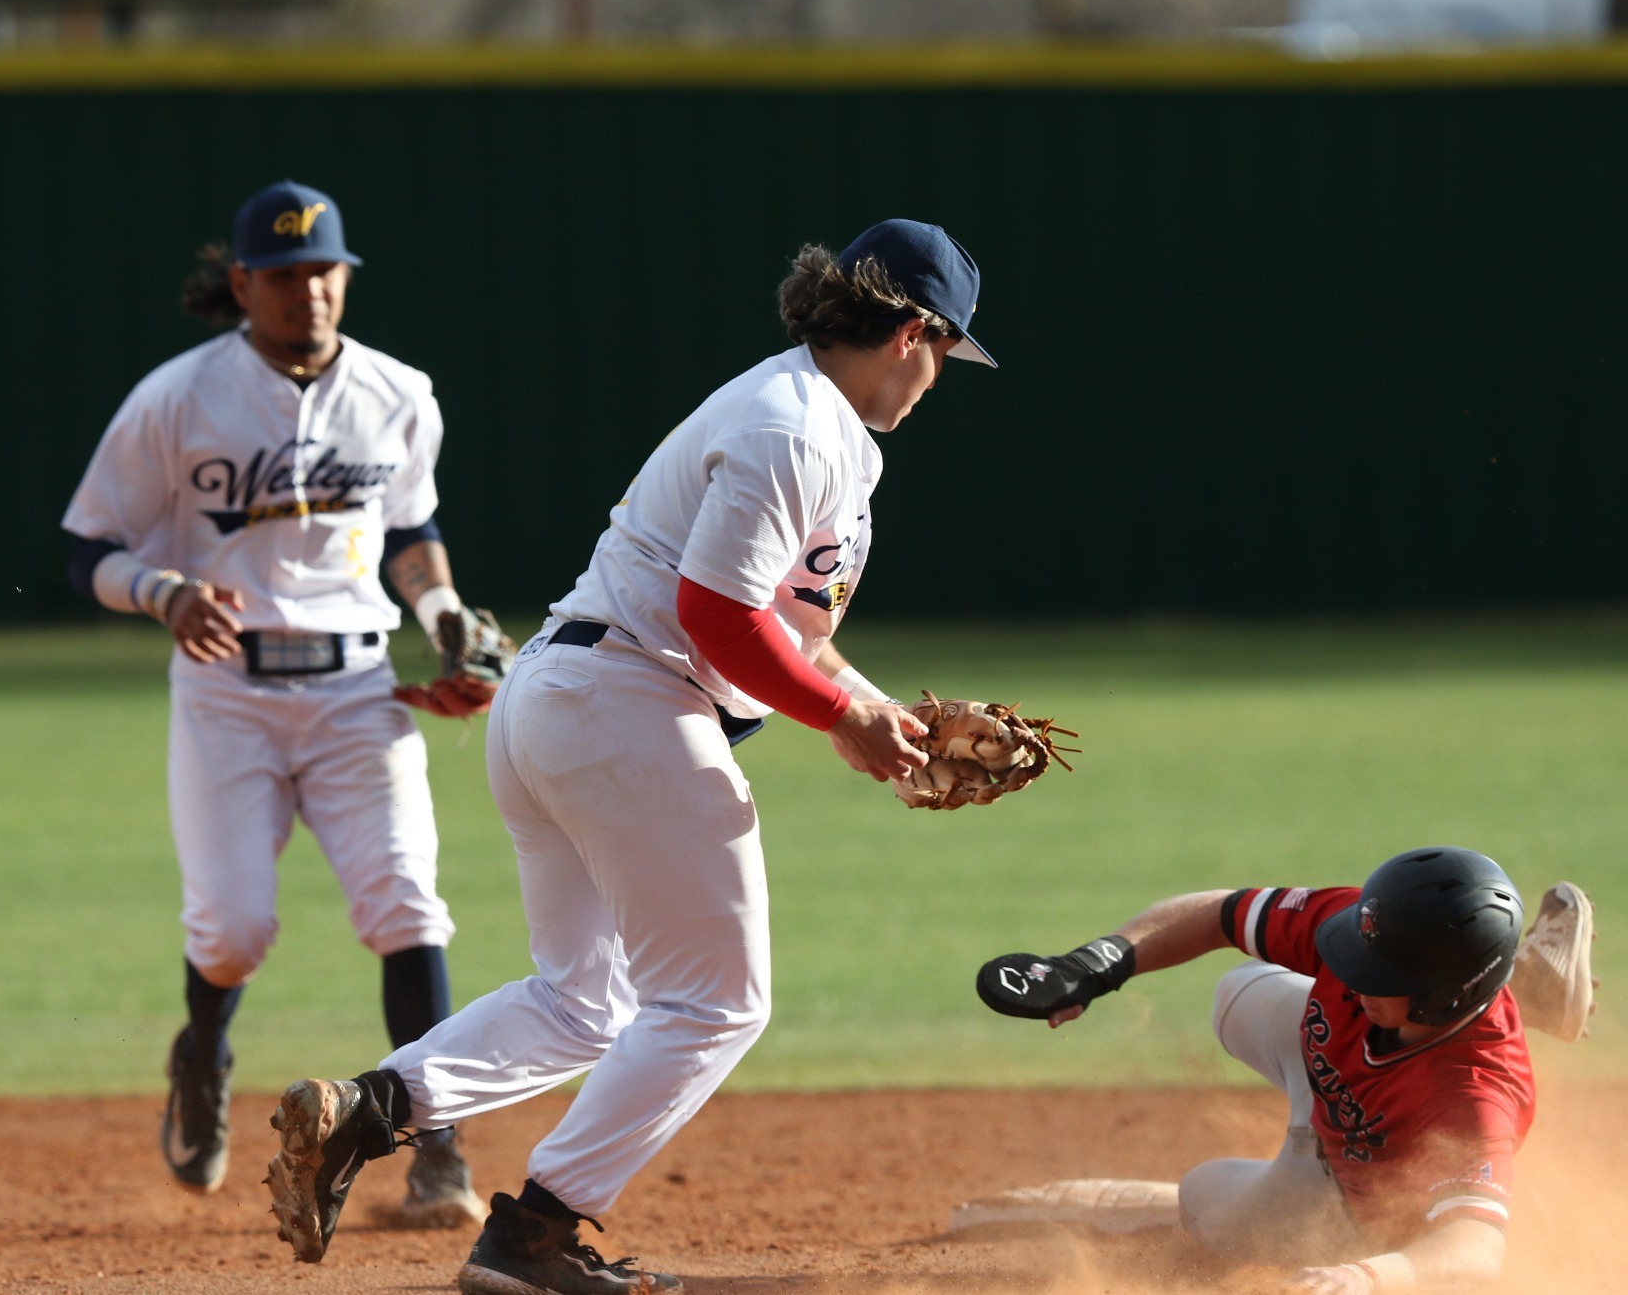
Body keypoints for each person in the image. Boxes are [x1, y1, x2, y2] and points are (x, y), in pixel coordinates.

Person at [257, 219, 1001, 1294]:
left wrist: (887, 717)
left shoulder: (825, 433)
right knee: (715, 1002)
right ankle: (534, 1237)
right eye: (945, 353)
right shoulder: (791, 426)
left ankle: (365, 1113)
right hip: (628, 703)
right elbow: (713, 614)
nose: (939, 378)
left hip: (573, 703)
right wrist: (836, 722)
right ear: (913, 332)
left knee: (581, 1002)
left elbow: (796, 635)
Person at [60, 178, 497, 1227]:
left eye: (324, 273)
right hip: (226, 691)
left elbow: (407, 533)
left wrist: (440, 611)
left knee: (406, 904)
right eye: (286, 275)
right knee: (232, 933)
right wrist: (159, 591)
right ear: (242, 283)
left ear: (345, 279)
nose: (309, 293)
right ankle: (202, 1054)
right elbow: (86, 551)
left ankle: (437, 1148)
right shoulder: (176, 396)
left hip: (357, 684)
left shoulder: (398, 391)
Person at [975, 846, 1598, 1294]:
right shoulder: (1366, 928)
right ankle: (1529, 987)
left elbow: (1476, 1251)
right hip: (1338, 1089)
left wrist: (1369, 1273)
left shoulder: (1472, 1098)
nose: (1352, 975)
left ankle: (1495, 1184)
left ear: (1448, 999)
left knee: (1205, 1198)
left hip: (1357, 1210)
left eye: (1377, 976)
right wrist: (1097, 964)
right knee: (1239, 993)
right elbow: (1222, 913)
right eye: (1357, 952)